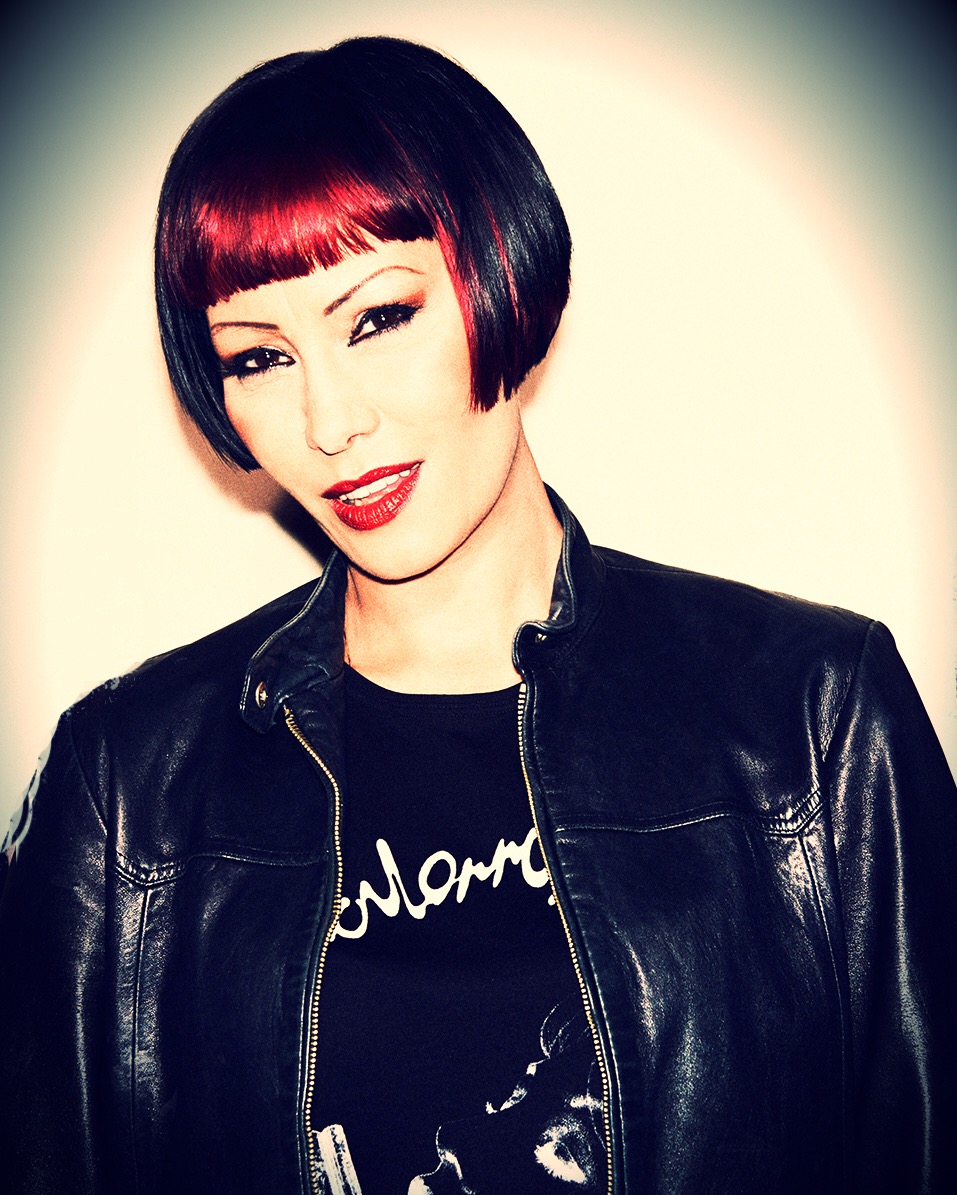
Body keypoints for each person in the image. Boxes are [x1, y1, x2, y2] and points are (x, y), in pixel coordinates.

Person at [0, 34, 954, 1195]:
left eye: (376, 318)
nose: (330, 422)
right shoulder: (127, 785)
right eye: (259, 358)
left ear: (504, 272)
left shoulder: (815, 721)